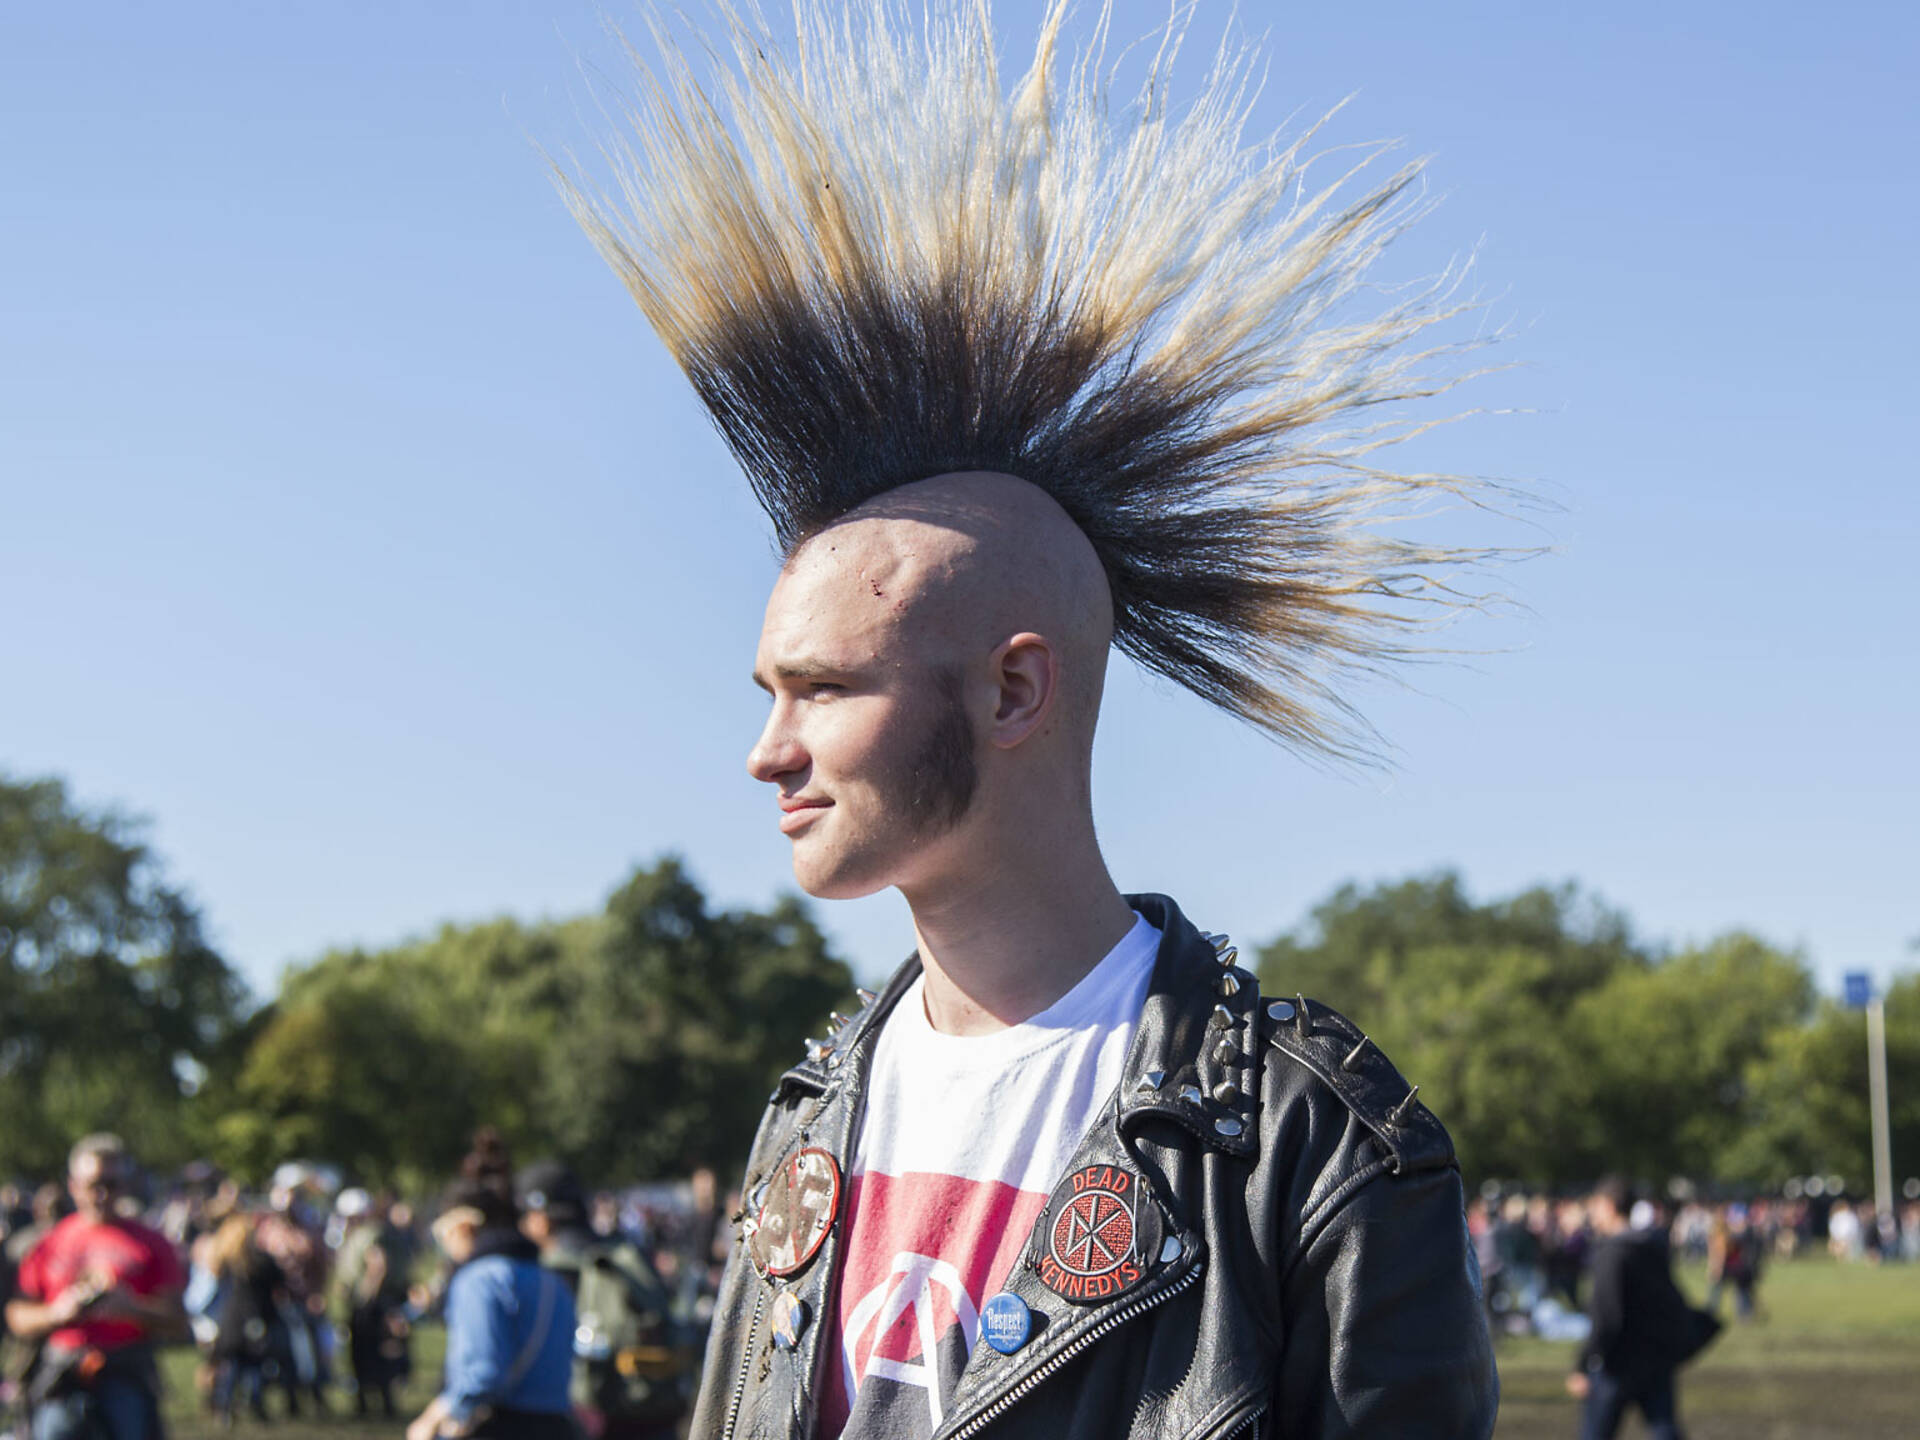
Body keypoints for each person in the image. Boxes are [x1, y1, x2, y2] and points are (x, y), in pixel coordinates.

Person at [561, 2, 1505, 1435]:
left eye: (824, 689)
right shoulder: (808, 1123)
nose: (767, 749)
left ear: (1013, 689)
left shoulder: (1306, 1148)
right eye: (767, 694)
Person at [4, 1136, 186, 1440]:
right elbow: (17, 1316)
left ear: (124, 1184)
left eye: (111, 1184)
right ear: (73, 1185)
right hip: (62, 1373)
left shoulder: (151, 1243)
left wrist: (131, 1309)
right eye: (92, 1184)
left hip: (125, 1371)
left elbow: (178, 1320)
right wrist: (57, 1313)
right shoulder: (48, 1243)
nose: (101, 1194)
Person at [408, 1157, 575, 1440]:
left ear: (464, 1226)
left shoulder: (478, 1280)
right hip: (557, 1426)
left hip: (502, 1427)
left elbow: (483, 1373)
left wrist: (435, 1415)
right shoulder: (551, 1280)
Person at [518, 1164, 687, 1440]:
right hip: (654, 1412)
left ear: (541, 1219)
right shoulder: (627, 1255)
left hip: (590, 1422)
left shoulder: (552, 1272)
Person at [1568, 1178, 1719, 1440]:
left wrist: (1584, 1363)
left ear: (1609, 1205)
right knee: (1664, 1429)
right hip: (1655, 1356)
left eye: (1595, 1205)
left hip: (1618, 1362)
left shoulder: (1612, 1253)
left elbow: (1607, 1315)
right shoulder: (1650, 1245)